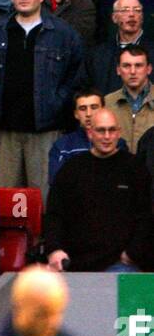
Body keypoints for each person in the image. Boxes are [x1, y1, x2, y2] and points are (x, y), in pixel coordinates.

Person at [0, 0, 85, 200]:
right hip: (5, 130)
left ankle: (42, 238)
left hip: (45, 129)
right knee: (5, 200)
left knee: (42, 200)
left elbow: (76, 76)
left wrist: (57, 103)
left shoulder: (63, 33)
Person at [44, 107, 152, 271]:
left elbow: (146, 215)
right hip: (75, 262)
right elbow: (54, 215)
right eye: (101, 130)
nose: (107, 136)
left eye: (111, 130)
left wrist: (132, 253)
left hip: (121, 263)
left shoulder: (135, 168)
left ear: (118, 132)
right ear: (90, 133)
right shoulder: (71, 169)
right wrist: (55, 250)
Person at [48, 90, 113, 184]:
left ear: (104, 110)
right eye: (83, 109)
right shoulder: (63, 146)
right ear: (76, 114)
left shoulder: (117, 143)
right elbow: (56, 183)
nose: (88, 114)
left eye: (94, 107)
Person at [104, 44, 154, 154]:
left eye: (138, 65)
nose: (132, 71)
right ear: (118, 70)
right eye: (126, 66)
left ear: (149, 69)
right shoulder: (107, 103)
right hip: (118, 168)